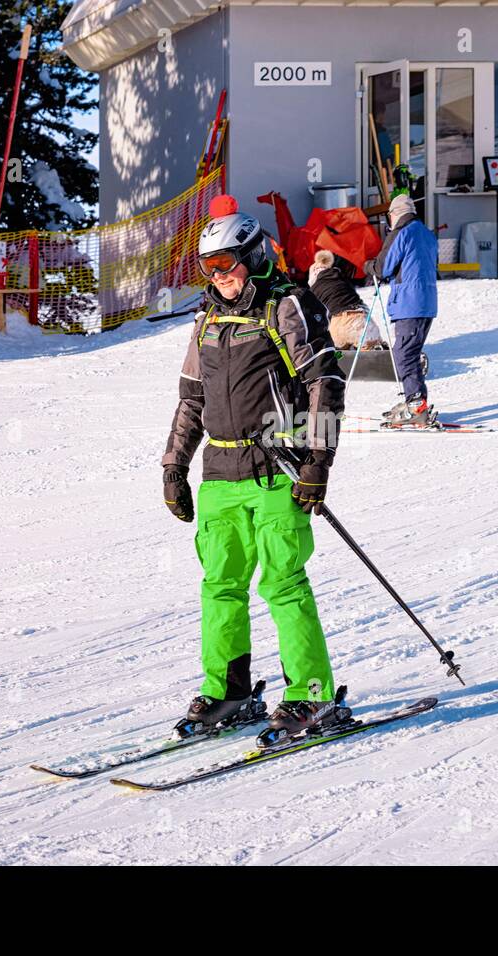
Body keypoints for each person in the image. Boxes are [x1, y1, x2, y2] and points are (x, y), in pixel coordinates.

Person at [162, 195, 348, 741]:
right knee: (220, 584)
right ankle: (228, 690)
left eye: (226, 263)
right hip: (220, 473)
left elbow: (324, 383)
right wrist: (174, 466)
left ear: (252, 255)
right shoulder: (208, 320)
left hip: (276, 468)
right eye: (208, 266)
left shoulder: (285, 305)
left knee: (283, 582)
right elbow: (191, 401)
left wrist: (318, 461)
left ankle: (309, 694)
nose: (218, 275)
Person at [367, 194, 438, 425]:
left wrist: (369, 266)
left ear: (394, 213)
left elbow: (382, 266)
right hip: (427, 301)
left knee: (404, 355)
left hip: (409, 302)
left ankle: (417, 406)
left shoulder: (401, 232)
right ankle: (415, 402)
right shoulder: (426, 233)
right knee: (410, 353)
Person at [308, 249, 382, 350]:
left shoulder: (313, 290)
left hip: (335, 325)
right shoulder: (338, 276)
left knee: (344, 361)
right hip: (357, 318)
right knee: (377, 356)